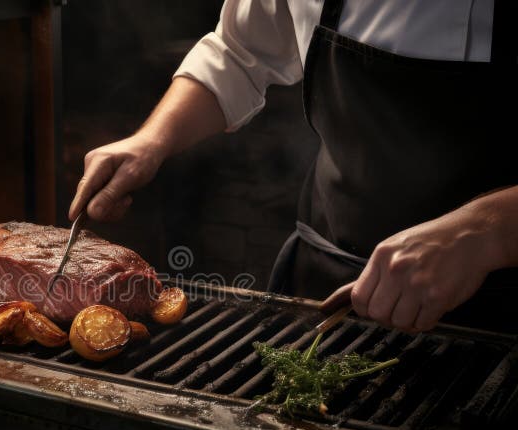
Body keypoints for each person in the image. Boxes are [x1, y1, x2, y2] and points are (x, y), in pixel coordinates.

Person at [68, 0, 518, 333]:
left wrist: (483, 232)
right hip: (331, 283)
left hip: (499, 309)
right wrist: (151, 141)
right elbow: (239, 52)